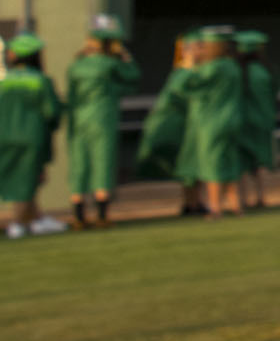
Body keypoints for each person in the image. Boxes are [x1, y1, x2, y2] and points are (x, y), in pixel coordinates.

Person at [63, 13, 140, 230]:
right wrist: (124, 56)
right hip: (102, 117)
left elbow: (71, 97)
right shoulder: (110, 63)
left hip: (79, 117)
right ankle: (102, 215)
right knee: (102, 162)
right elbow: (133, 76)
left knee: (79, 164)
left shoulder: (77, 65)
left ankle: (78, 215)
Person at [1, 32, 65, 238]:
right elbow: (52, 112)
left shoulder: (4, 81)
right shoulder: (40, 81)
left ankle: (37, 219)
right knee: (27, 180)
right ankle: (18, 223)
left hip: (4, 137)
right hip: (31, 137)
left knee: (20, 179)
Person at [136, 31, 204, 216]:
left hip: (185, 124)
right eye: (198, 47)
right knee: (189, 165)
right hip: (179, 126)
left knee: (191, 167)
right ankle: (191, 203)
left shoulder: (188, 72)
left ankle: (194, 202)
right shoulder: (183, 74)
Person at [184, 26, 246, 217]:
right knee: (230, 162)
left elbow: (186, 86)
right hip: (233, 118)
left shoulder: (213, 67)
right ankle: (236, 205)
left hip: (213, 121)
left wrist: (188, 65)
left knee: (212, 164)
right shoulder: (233, 66)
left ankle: (215, 207)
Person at [234, 31, 280, 209]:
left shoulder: (237, 72)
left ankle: (243, 199)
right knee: (259, 161)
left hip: (243, 121)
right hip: (262, 120)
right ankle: (261, 196)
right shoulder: (265, 71)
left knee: (243, 162)